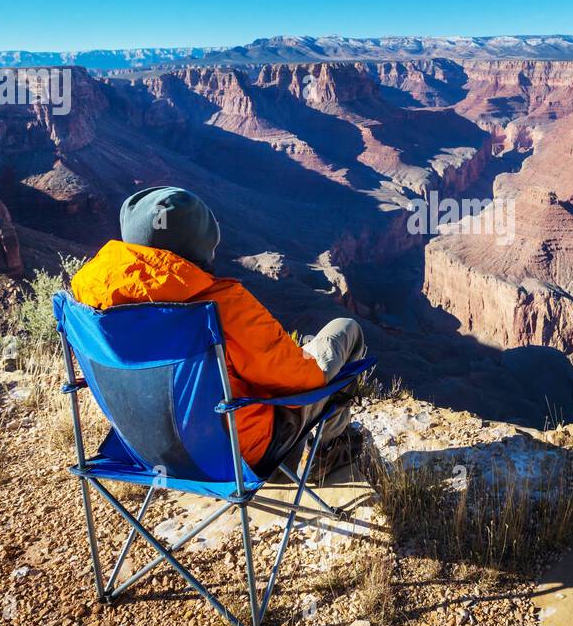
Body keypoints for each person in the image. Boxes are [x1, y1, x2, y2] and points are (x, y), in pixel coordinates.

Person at [70, 186, 366, 483]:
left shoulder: (87, 295)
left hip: (145, 448)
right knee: (346, 331)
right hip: (237, 453)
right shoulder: (220, 305)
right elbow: (301, 382)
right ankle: (323, 456)